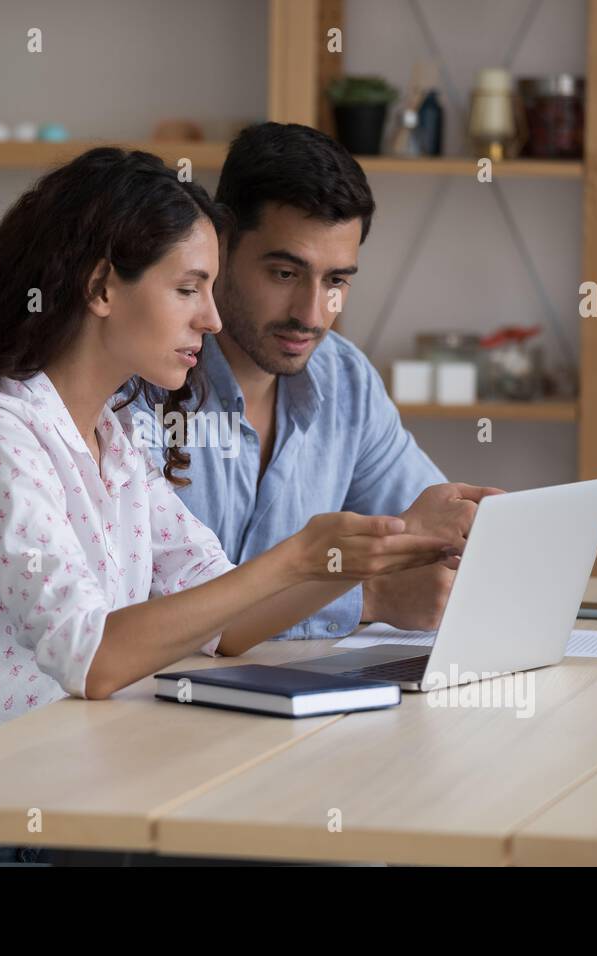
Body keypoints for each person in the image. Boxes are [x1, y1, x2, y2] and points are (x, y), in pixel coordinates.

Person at [0, 146, 461, 866]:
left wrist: (343, 561)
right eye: (190, 289)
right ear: (102, 287)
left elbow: (226, 621)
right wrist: (298, 556)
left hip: (67, 784)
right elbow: (90, 658)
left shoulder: (119, 438)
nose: (214, 320)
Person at [141, 122, 502, 639]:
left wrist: (457, 536)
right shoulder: (143, 385)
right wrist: (368, 597)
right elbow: (158, 621)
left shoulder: (344, 378)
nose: (311, 314)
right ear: (219, 244)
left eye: (336, 281)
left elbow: (425, 532)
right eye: (285, 274)